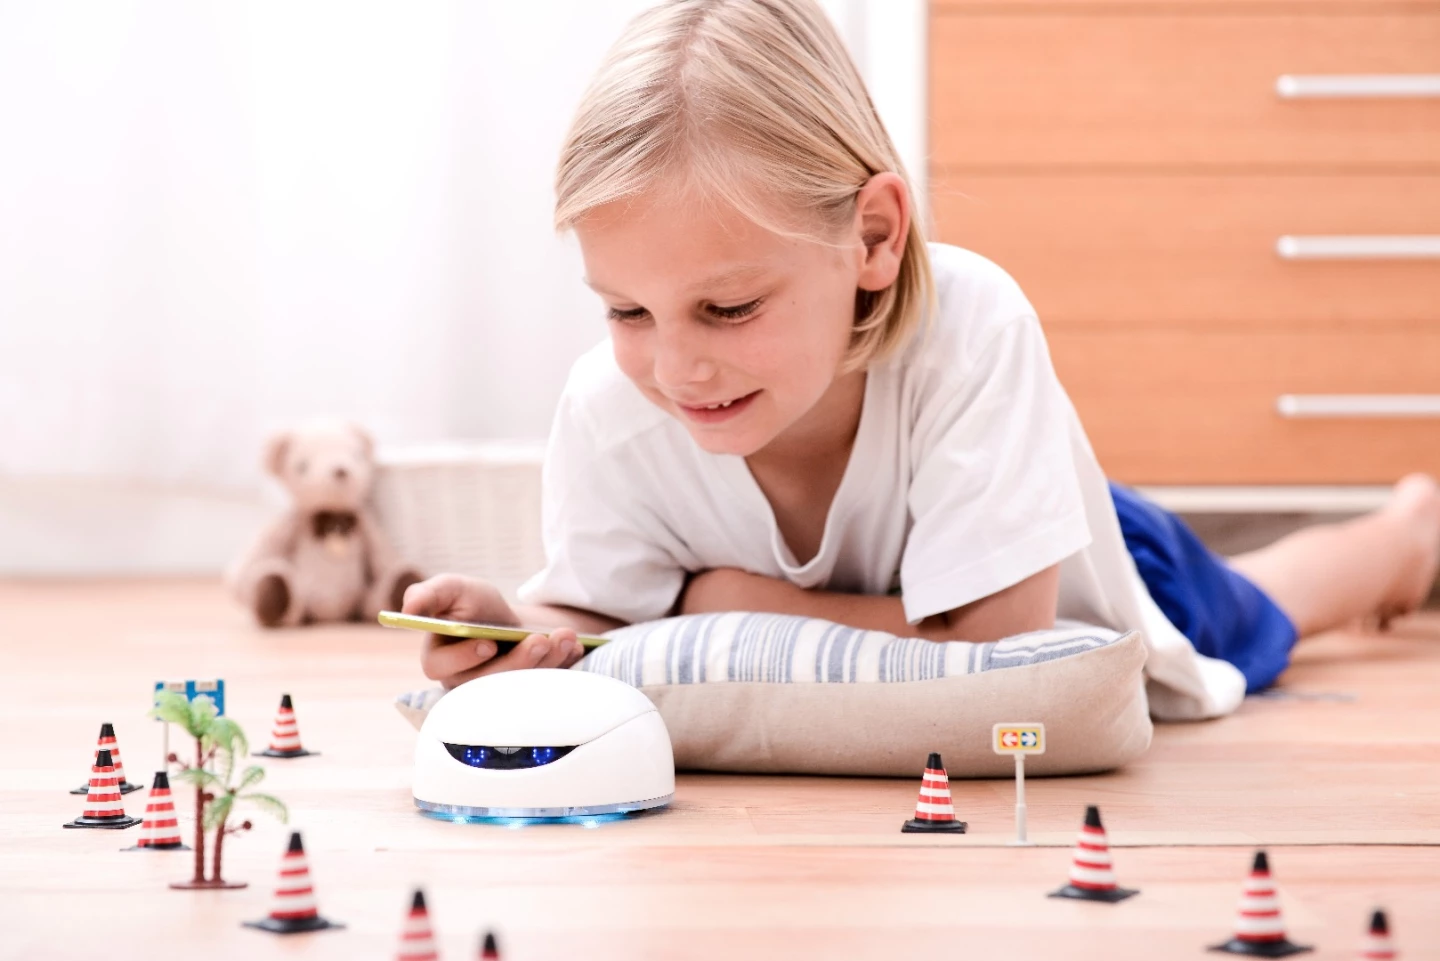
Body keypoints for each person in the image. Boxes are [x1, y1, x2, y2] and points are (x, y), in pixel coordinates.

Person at [403, 0, 1440, 719]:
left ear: (873, 238)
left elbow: (989, 644)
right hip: (965, 529)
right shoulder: (610, 405)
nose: (677, 370)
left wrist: (733, 601)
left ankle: (1405, 534)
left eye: (726, 307)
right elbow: (597, 610)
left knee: (1266, 609)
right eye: (627, 309)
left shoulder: (972, 326)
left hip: (1081, 548)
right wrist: (514, 627)